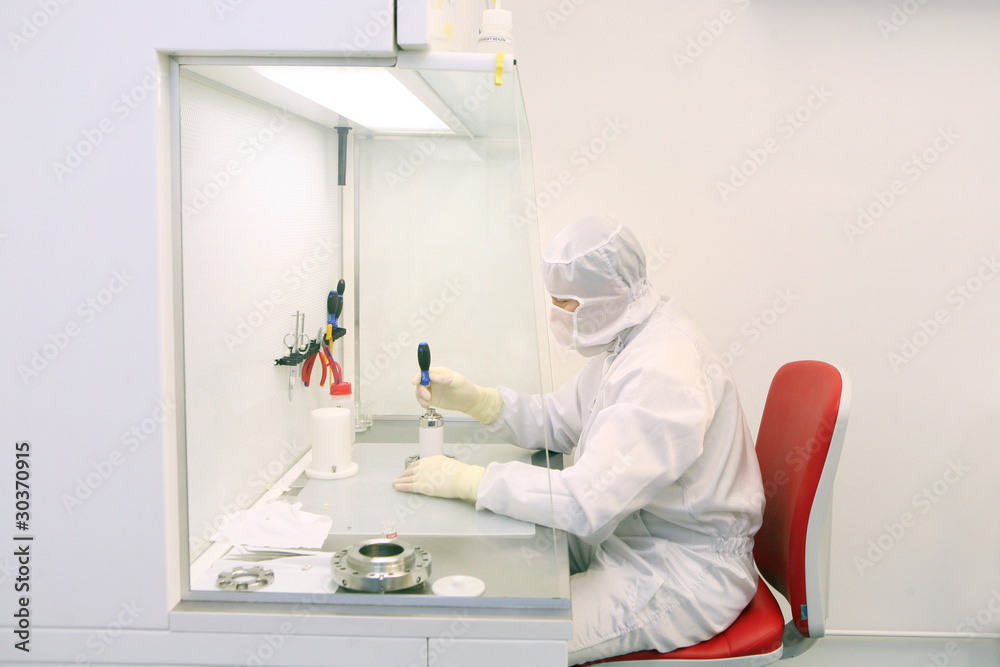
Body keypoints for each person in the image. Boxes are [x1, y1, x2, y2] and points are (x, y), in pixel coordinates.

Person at [393, 215, 765, 665]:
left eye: (563, 303)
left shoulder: (663, 369)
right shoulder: (627, 343)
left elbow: (585, 500)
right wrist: (479, 401)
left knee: (505, 644)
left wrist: (471, 480)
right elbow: (557, 419)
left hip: (682, 571)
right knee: (494, 569)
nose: (554, 314)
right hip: (628, 534)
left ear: (604, 300)